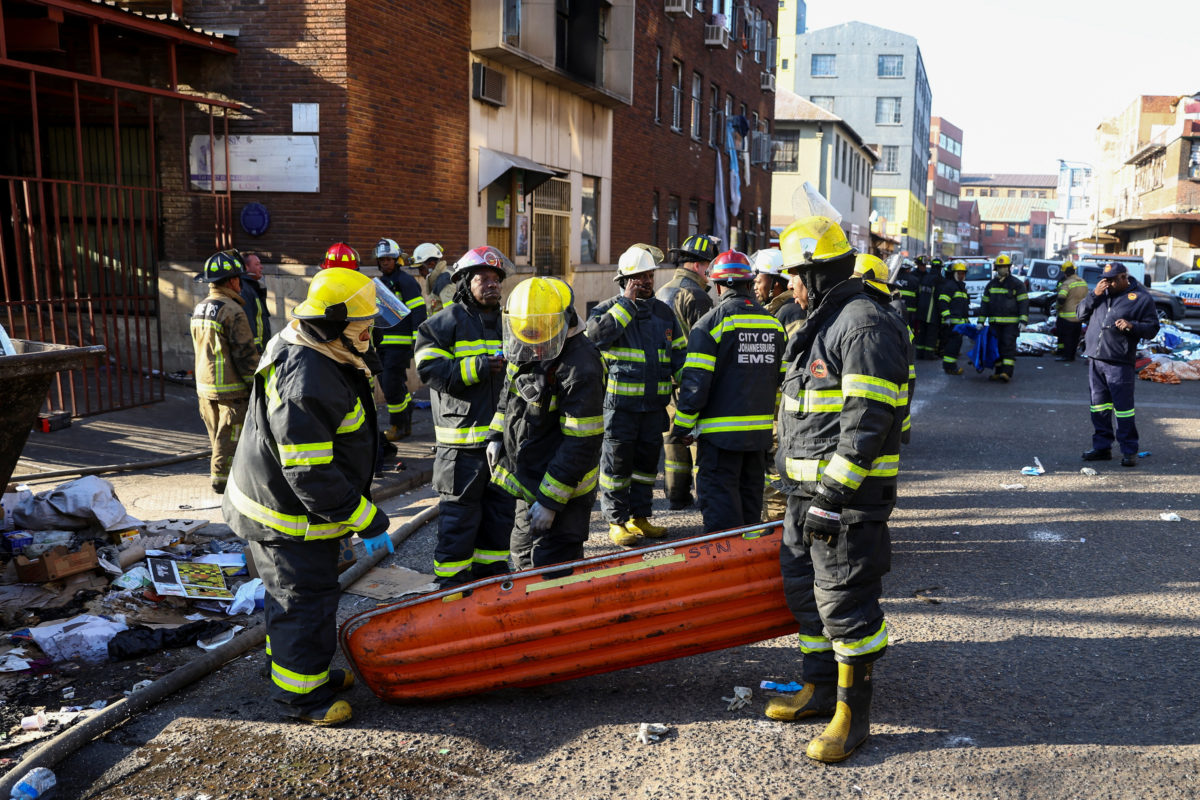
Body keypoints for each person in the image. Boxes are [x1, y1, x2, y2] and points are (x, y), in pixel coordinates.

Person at [222, 267, 394, 726]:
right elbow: (310, 474)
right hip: (283, 515)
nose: (369, 334)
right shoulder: (308, 376)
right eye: (364, 326)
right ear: (335, 325)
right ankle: (303, 698)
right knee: (303, 602)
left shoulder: (323, 350)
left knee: (302, 598)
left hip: (292, 507)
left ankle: (299, 672)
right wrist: (366, 518)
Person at [765, 216, 908, 764]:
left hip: (843, 504)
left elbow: (867, 422)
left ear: (820, 274)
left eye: (797, 276)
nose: (790, 286)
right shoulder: (822, 321)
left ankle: (852, 717)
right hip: (806, 500)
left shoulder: (863, 324)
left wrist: (831, 497)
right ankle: (820, 689)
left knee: (846, 605)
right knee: (808, 598)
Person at [487, 277, 604, 571]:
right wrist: (496, 433)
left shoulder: (581, 366)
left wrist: (551, 502)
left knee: (554, 572)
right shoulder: (530, 340)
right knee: (523, 557)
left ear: (561, 323)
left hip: (564, 492)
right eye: (526, 333)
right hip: (529, 481)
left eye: (538, 333)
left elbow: (581, 442)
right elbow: (510, 392)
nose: (532, 340)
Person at [415, 245, 516, 587]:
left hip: (501, 444)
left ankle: (492, 585)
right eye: (482, 279)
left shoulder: (510, 324)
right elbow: (428, 368)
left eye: (496, 279)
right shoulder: (443, 323)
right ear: (463, 283)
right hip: (461, 450)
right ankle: (452, 591)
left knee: (500, 520)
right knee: (458, 523)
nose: (492, 285)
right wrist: (477, 367)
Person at [669, 250, 785, 533]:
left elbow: (695, 384)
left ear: (719, 285)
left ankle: (728, 568)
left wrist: (682, 427)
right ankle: (751, 564)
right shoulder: (773, 325)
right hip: (758, 438)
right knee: (750, 507)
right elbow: (781, 381)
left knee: (722, 513)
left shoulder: (710, 325)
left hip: (720, 441)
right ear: (749, 282)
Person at [586, 244, 686, 547]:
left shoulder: (664, 314)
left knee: (645, 469)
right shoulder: (607, 310)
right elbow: (595, 337)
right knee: (616, 468)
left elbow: (680, 358)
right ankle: (616, 522)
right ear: (624, 280)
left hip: (653, 409)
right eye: (639, 277)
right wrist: (627, 304)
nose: (646, 281)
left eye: (649, 276)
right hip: (620, 410)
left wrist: (691, 400)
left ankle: (640, 517)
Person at [656, 234, 720, 509]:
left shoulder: (663, 290)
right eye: (710, 266)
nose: (712, 273)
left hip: (666, 381)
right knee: (696, 439)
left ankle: (677, 495)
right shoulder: (696, 296)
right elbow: (705, 341)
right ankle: (706, 498)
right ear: (698, 265)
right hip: (691, 381)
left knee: (673, 440)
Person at [1076, 262, 1159, 467]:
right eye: (1105, 280)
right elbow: (1080, 314)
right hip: (1096, 359)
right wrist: (1094, 294)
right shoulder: (1100, 293)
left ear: (1124, 277)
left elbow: (1152, 329)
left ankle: (1129, 450)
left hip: (1119, 362)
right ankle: (1102, 447)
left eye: (1112, 280)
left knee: (1123, 410)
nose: (1108, 284)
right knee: (1099, 407)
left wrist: (1132, 326)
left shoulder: (1141, 298)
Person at [190, 250, 259, 494]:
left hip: (204, 386)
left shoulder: (200, 307)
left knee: (216, 437)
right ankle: (224, 486)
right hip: (230, 390)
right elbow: (245, 354)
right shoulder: (232, 310)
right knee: (229, 442)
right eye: (238, 278)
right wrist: (256, 385)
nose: (240, 282)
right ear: (231, 281)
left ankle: (224, 481)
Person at [752, 247, 805, 523]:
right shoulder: (779, 310)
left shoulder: (789, 313)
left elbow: (792, 367)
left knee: (775, 471)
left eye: (758, 280)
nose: (755, 287)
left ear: (774, 283)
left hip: (781, 411)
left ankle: (776, 530)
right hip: (776, 409)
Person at [373, 238, 427, 440]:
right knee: (395, 385)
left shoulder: (406, 282)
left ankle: (397, 426)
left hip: (400, 345)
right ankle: (406, 422)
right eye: (382, 259)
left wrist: (416, 340)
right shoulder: (380, 283)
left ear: (397, 260)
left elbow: (419, 312)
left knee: (390, 386)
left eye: (389, 259)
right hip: (383, 345)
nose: (385, 262)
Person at [979, 254, 1028, 382]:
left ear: (1009, 268)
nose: (1002, 269)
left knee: (1008, 346)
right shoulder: (991, 285)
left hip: (1010, 324)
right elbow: (985, 304)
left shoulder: (1017, 284)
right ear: (996, 268)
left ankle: (1007, 372)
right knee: (996, 348)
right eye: (1000, 267)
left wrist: (1023, 321)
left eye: (1005, 267)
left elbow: (1023, 303)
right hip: (995, 323)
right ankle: (998, 371)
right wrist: (980, 321)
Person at [751, 248, 807, 335]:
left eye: (758, 282)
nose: (755, 287)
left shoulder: (793, 311)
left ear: (776, 282)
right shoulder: (778, 309)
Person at [937, 261, 971, 375]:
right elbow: (942, 301)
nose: (961, 275)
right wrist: (947, 316)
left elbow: (963, 307)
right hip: (951, 324)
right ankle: (951, 367)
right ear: (954, 274)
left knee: (955, 346)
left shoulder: (961, 287)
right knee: (952, 346)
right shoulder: (950, 286)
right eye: (959, 273)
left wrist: (967, 321)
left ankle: (950, 367)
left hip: (959, 324)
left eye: (963, 273)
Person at [1054, 260, 1088, 362]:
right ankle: (1071, 356)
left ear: (1065, 273)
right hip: (1079, 316)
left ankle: (1066, 356)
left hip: (1066, 316)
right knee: (1075, 337)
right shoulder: (1083, 282)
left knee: (1067, 337)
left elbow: (1061, 298)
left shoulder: (1067, 283)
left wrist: (1058, 307)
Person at [239, 252, 272, 353]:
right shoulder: (244, 290)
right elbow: (248, 323)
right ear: (246, 267)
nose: (261, 267)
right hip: (255, 352)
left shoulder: (252, 288)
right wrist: (257, 349)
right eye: (257, 264)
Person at [412, 243, 455, 314]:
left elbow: (453, 315)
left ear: (431, 264)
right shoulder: (437, 281)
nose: (420, 273)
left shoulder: (445, 281)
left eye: (421, 268)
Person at [914, 257, 942, 360]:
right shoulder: (939, 280)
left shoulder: (925, 277)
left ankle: (920, 353)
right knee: (931, 334)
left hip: (921, 311)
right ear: (940, 268)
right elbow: (940, 298)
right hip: (932, 312)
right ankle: (929, 354)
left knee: (921, 333)